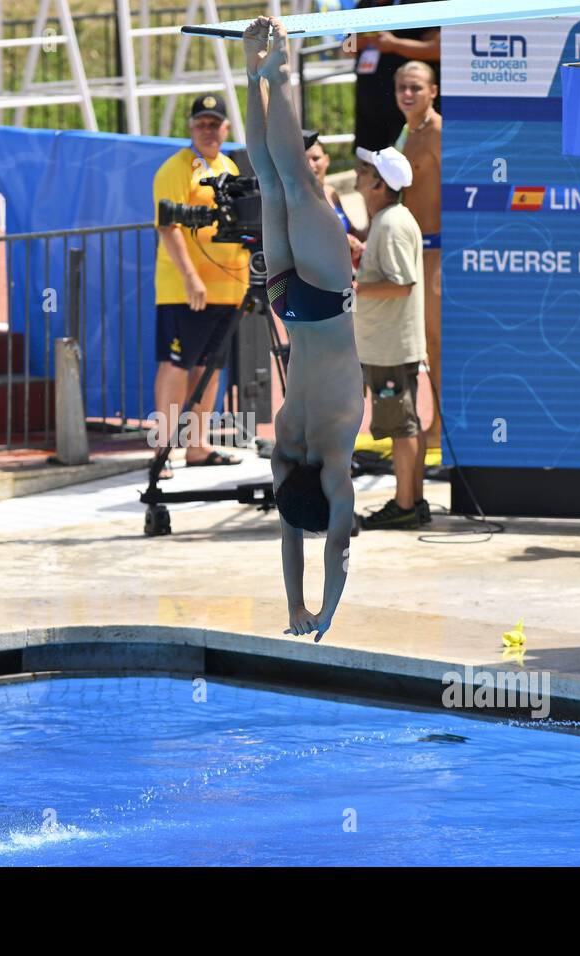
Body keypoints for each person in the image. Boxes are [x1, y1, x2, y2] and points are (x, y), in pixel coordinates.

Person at [245, 16, 362, 643]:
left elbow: (334, 549)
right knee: (270, 181)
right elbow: (290, 531)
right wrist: (296, 606)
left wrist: (324, 611)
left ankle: (278, 74)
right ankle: (251, 69)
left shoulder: (335, 459)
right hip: (288, 305)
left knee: (298, 181)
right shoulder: (286, 454)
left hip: (327, 304)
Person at [152, 94, 250, 479]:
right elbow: (167, 225)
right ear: (191, 128)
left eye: (215, 123)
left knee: (209, 367)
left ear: (226, 128)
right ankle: (161, 449)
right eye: (202, 123)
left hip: (228, 287)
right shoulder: (176, 168)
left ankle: (197, 446)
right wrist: (191, 277)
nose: (209, 130)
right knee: (177, 364)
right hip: (184, 289)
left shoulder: (227, 166)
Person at [353, 146, 428, 530]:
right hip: (390, 345)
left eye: (365, 171)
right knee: (405, 424)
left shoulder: (391, 223)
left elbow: (401, 285)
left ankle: (405, 505)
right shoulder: (390, 220)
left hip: (389, 347)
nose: (359, 175)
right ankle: (413, 500)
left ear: (380, 184)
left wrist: (356, 287)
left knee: (401, 427)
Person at [392, 60, 443, 450]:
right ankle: (433, 421)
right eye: (401, 88)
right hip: (413, 252)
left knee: (438, 343)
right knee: (423, 343)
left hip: (435, 252)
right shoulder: (408, 132)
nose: (407, 94)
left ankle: (441, 427)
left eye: (415, 88)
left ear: (432, 92)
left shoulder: (439, 132)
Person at [346, 0, 440, 153]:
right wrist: (359, 41)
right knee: (367, 166)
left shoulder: (417, 3)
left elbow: (437, 48)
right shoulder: (364, 6)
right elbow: (346, 47)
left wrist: (395, 44)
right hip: (369, 106)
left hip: (408, 107)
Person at [305, 128, 365, 266]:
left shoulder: (331, 193)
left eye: (316, 158)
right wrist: (343, 241)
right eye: (304, 160)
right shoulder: (299, 199)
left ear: (327, 160)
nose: (311, 165)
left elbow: (352, 230)